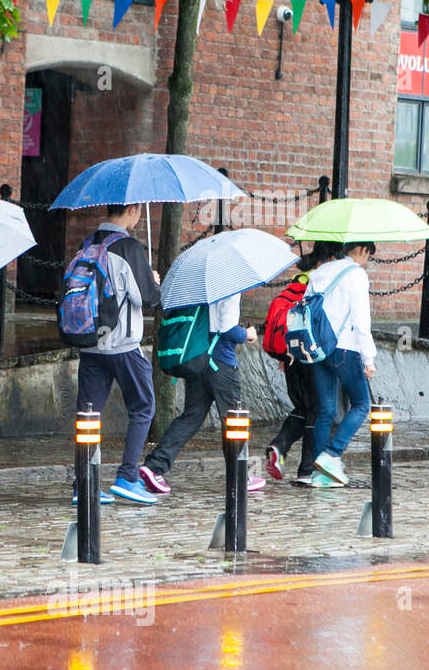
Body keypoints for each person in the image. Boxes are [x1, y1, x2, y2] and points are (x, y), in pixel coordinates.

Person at [71, 204, 160, 505]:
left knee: (88, 415)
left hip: (89, 342)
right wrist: (154, 281)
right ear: (133, 210)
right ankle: (127, 476)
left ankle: (84, 484)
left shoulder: (87, 243)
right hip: (122, 343)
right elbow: (147, 297)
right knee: (143, 405)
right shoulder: (128, 247)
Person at [139, 290, 266, 494]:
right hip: (221, 363)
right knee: (234, 420)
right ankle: (239, 475)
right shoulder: (230, 289)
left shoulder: (199, 289)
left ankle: (154, 467)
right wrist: (248, 334)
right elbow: (228, 329)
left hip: (199, 361)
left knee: (191, 417)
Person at [307, 241, 376, 488]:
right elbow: (361, 320)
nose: (367, 260)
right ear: (360, 250)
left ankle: (319, 474)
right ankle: (332, 455)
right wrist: (369, 358)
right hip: (345, 347)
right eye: (368, 255)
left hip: (317, 349)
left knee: (325, 410)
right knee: (361, 404)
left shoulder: (320, 272)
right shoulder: (356, 275)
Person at [264, 245, 333, 486]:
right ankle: (306, 471)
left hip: (290, 355)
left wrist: (284, 355)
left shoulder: (294, 285)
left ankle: (279, 446)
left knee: (303, 408)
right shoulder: (319, 284)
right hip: (312, 355)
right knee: (315, 409)